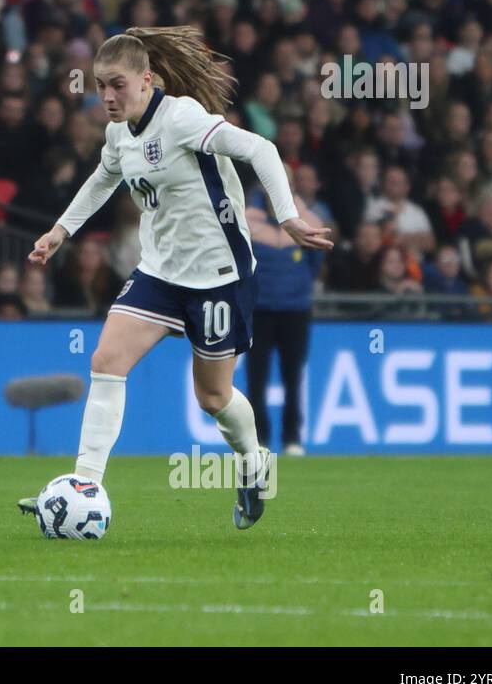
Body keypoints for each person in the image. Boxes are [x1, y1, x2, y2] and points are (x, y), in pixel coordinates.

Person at [19, 27, 332, 530]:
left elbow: (261, 148)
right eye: (100, 86)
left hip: (217, 276)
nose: (107, 96)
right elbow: (104, 177)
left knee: (212, 398)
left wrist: (287, 216)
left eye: (117, 85)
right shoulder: (119, 133)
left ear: (146, 80)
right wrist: (60, 231)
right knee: (106, 360)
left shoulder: (183, 118)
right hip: (159, 272)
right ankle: (84, 485)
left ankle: (253, 463)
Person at [245, 170, 327, 456]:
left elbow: (316, 258)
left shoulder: (307, 221)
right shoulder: (248, 220)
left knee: (293, 377)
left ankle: (292, 438)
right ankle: (260, 440)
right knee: (257, 378)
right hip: (259, 311)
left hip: (295, 311)